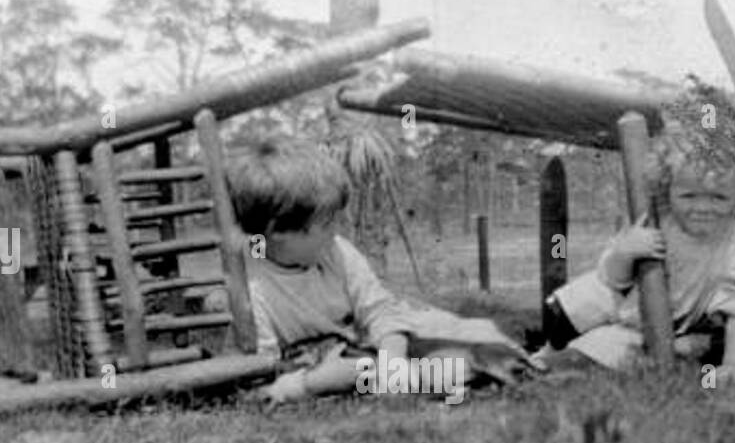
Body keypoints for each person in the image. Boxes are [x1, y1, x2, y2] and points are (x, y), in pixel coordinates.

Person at [226, 138, 531, 404]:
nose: (335, 232)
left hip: (373, 345)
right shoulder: (252, 290)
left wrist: (393, 358)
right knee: (353, 373)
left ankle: (496, 357)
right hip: (326, 365)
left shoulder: (337, 251)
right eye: (326, 224)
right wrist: (305, 384)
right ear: (277, 231)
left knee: (477, 332)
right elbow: (263, 368)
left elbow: (380, 312)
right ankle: (471, 368)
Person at [532, 79, 735, 386]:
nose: (702, 207)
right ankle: (546, 348)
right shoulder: (657, 218)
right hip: (616, 305)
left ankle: (554, 365)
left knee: (587, 358)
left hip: (647, 329)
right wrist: (626, 251)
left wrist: (734, 367)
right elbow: (612, 278)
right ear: (668, 186)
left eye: (719, 197)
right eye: (689, 196)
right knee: (573, 308)